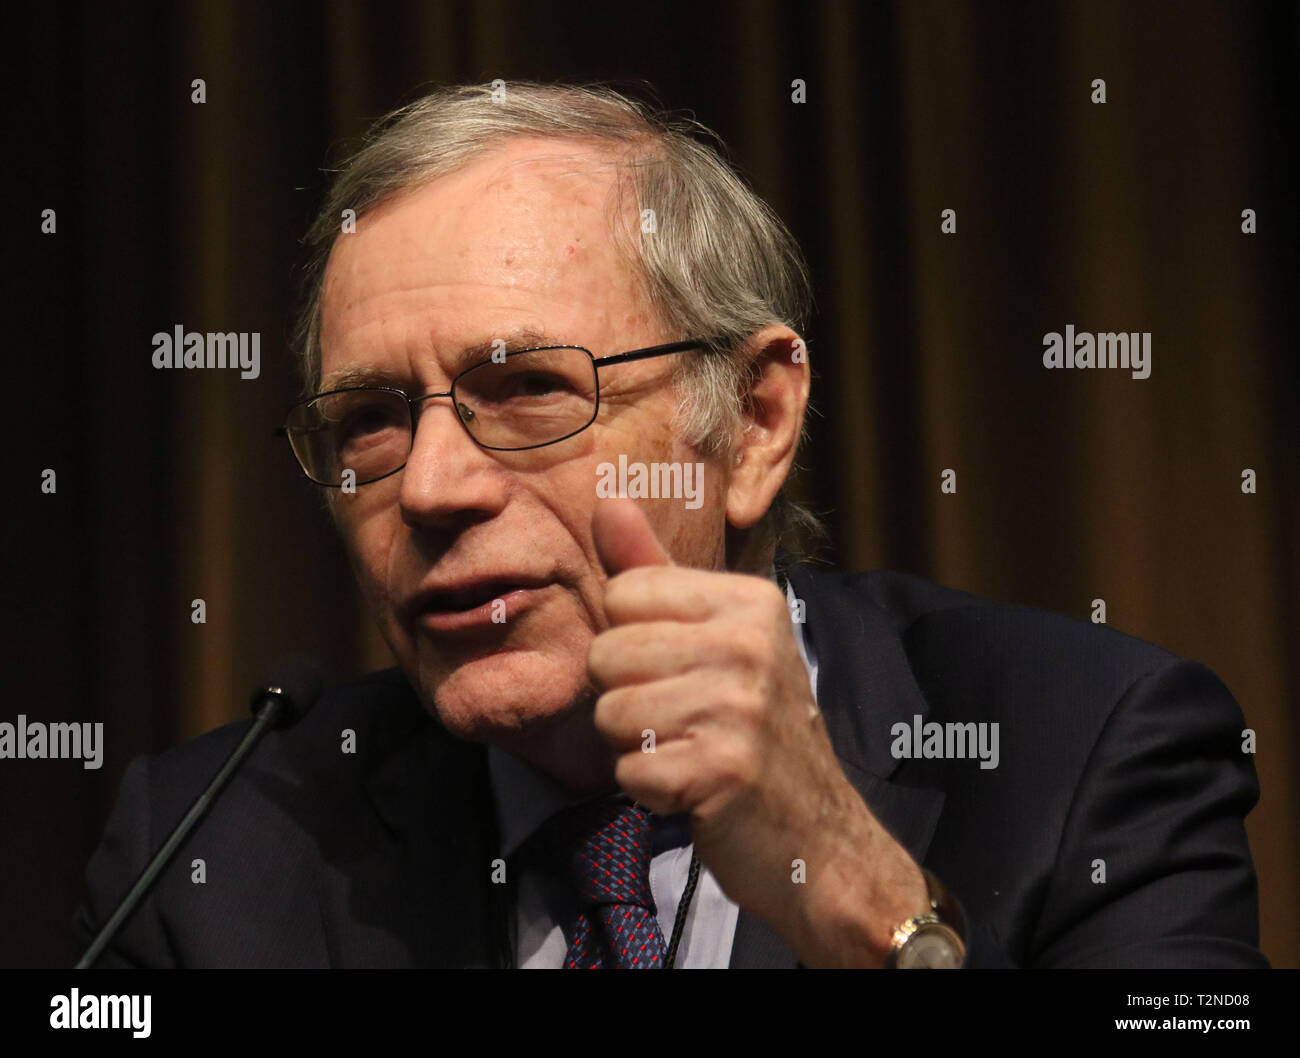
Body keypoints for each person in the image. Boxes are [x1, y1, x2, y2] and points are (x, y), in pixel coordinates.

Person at [73, 82, 1267, 968]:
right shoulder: (209, 850)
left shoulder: (1084, 750)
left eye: (530, 389)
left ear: (753, 420)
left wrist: (872, 908)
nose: (431, 484)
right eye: (371, 419)